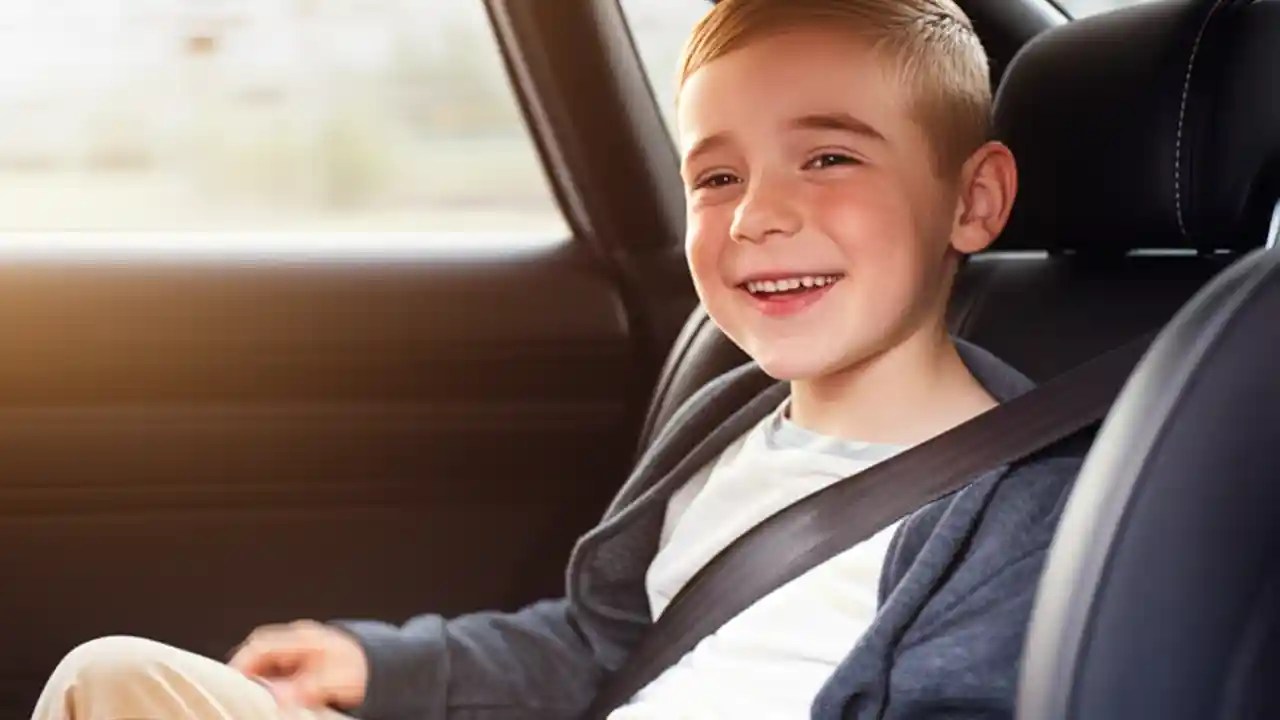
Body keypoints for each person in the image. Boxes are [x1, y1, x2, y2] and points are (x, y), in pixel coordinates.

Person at [30, 1, 1085, 718]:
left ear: (972, 199)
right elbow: (599, 647)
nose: (758, 215)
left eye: (827, 157)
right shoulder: (723, 424)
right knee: (112, 678)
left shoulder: (1021, 514)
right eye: (715, 177)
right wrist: (387, 665)